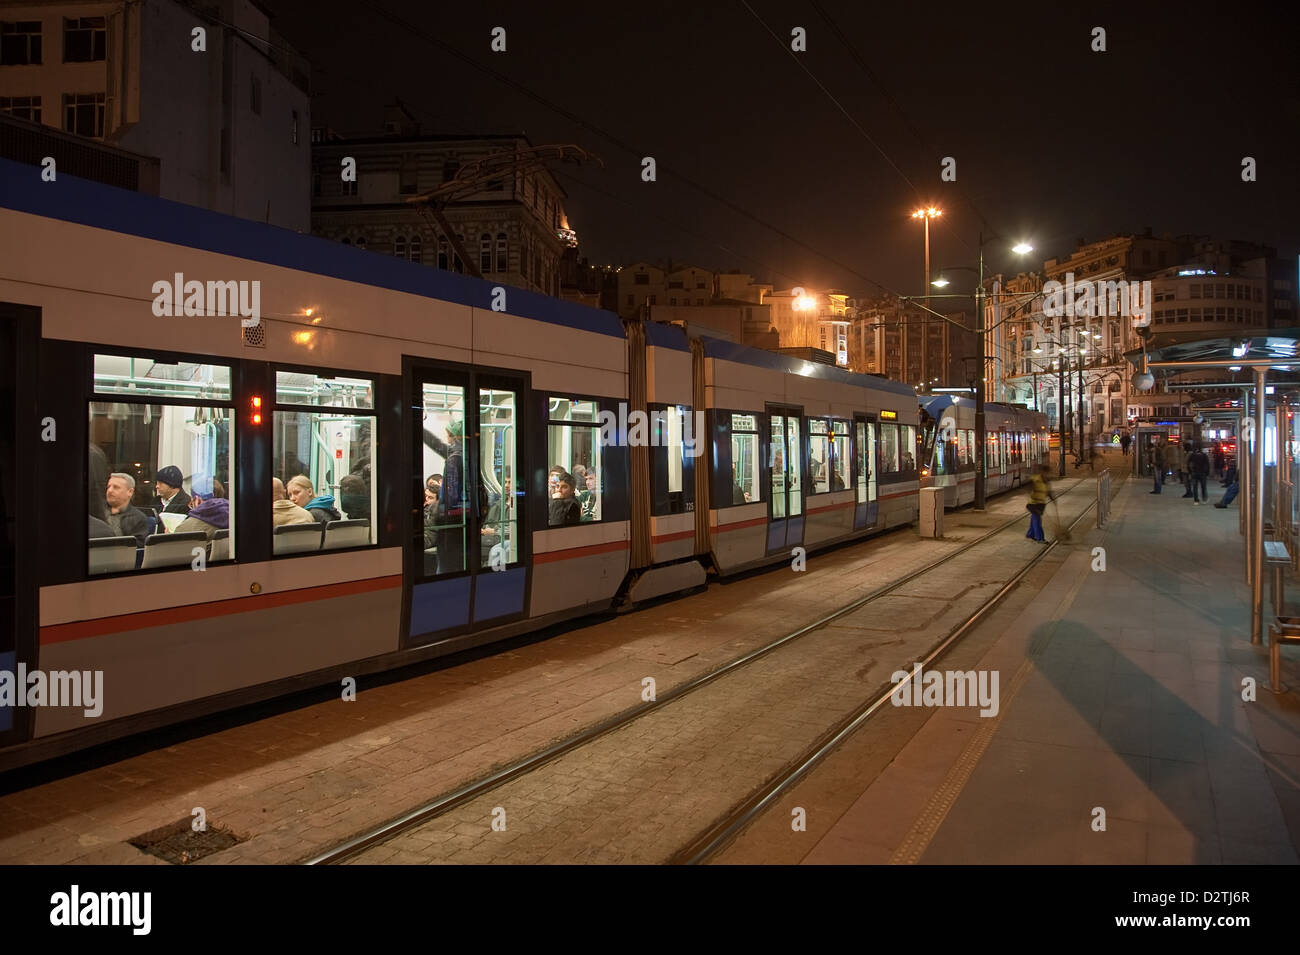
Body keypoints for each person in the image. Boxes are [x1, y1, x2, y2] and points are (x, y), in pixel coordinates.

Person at [423, 419, 466, 574]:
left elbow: (451, 497)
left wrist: (436, 509)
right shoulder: (466, 454)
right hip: (461, 521)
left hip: (451, 522)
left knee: (446, 567)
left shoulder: (454, 459)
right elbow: (438, 445)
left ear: (451, 436)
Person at [105, 473, 150, 546]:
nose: (110, 490)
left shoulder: (138, 519)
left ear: (130, 492)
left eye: (116, 487)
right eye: (108, 487)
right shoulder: (97, 514)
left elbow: (137, 548)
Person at [1026, 464, 1054, 543]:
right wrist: (1030, 492)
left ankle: (1030, 534)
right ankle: (1040, 538)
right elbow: (1029, 488)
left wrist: (1052, 499)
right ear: (1042, 472)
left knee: (1034, 519)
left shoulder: (1046, 481)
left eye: (1048, 473)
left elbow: (1048, 491)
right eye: (1046, 473)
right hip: (1033, 504)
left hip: (1041, 504)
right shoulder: (1035, 479)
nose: (1047, 474)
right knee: (1037, 521)